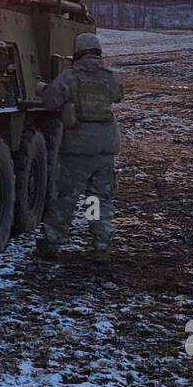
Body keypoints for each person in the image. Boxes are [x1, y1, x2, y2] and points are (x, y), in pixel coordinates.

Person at [37, 32, 124, 263]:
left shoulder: (70, 77)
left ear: (78, 52)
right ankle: (101, 244)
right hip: (105, 149)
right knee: (98, 199)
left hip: (78, 149)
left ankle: (52, 242)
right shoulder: (110, 77)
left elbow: (51, 101)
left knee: (67, 197)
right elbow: (118, 95)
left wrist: (42, 87)